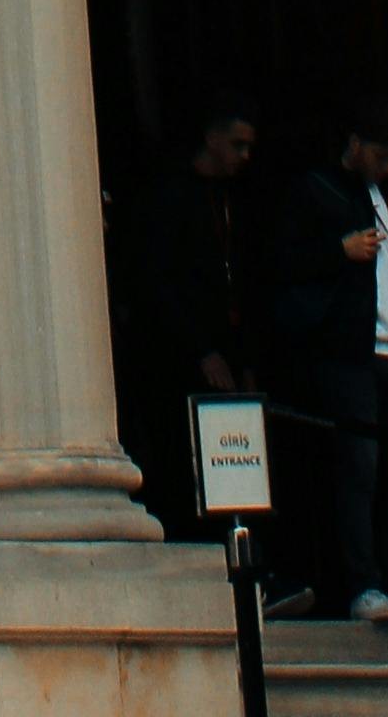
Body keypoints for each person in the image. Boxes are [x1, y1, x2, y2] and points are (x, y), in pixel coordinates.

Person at [265, 99, 388, 625]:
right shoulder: (318, 190)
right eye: (380, 155)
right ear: (355, 144)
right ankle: (363, 585)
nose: (387, 168)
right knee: (359, 466)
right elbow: (280, 264)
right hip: (349, 353)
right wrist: (337, 251)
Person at [115, 107, 259, 540]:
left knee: (237, 464)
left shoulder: (237, 199)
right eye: (237, 144)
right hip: (178, 358)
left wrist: (245, 359)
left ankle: (243, 556)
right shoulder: (171, 196)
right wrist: (201, 350)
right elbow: (158, 284)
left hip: (228, 352)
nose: (245, 156)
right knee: (184, 458)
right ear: (211, 139)